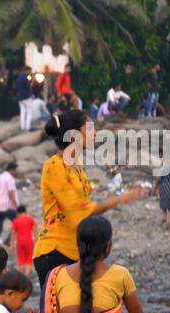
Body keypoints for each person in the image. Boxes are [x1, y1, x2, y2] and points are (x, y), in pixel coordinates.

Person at [34, 110, 149, 291]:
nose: (95, 133)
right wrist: (120, 199)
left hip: (75, 250)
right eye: (89, 129)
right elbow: (79, 213)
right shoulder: (55, 166)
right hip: (55, 251)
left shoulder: (76, 166)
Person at [0, 162, 19, 246]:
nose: (15, 172)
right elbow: (10, 193)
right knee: (17, 223)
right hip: (8, 206)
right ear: (12, 169)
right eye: (15, 170)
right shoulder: (10, 178)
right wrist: (16, 206)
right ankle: (8, 240)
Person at [10, 206, 38, 278]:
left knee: (21, 259)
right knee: (29, 259)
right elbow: (35, 231)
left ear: (18, 213)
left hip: (20, 242)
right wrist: (37, 241)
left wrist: (12, 245)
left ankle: (22, 277)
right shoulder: (30, 219)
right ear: (25, 211)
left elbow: (13, 233)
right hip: (29, 241)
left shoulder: (16, 220)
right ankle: (26, 276)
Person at [17, 67, 35, 132]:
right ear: (27, 71)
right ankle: (27, 127)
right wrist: (32, 82)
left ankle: (22, 127)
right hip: (27, 97)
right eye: (30, 71)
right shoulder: (25, 78)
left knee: (23, 112)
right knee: (29, 112)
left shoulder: (19, 78)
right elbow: (29, 87)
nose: (30, 72)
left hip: (20, 97)